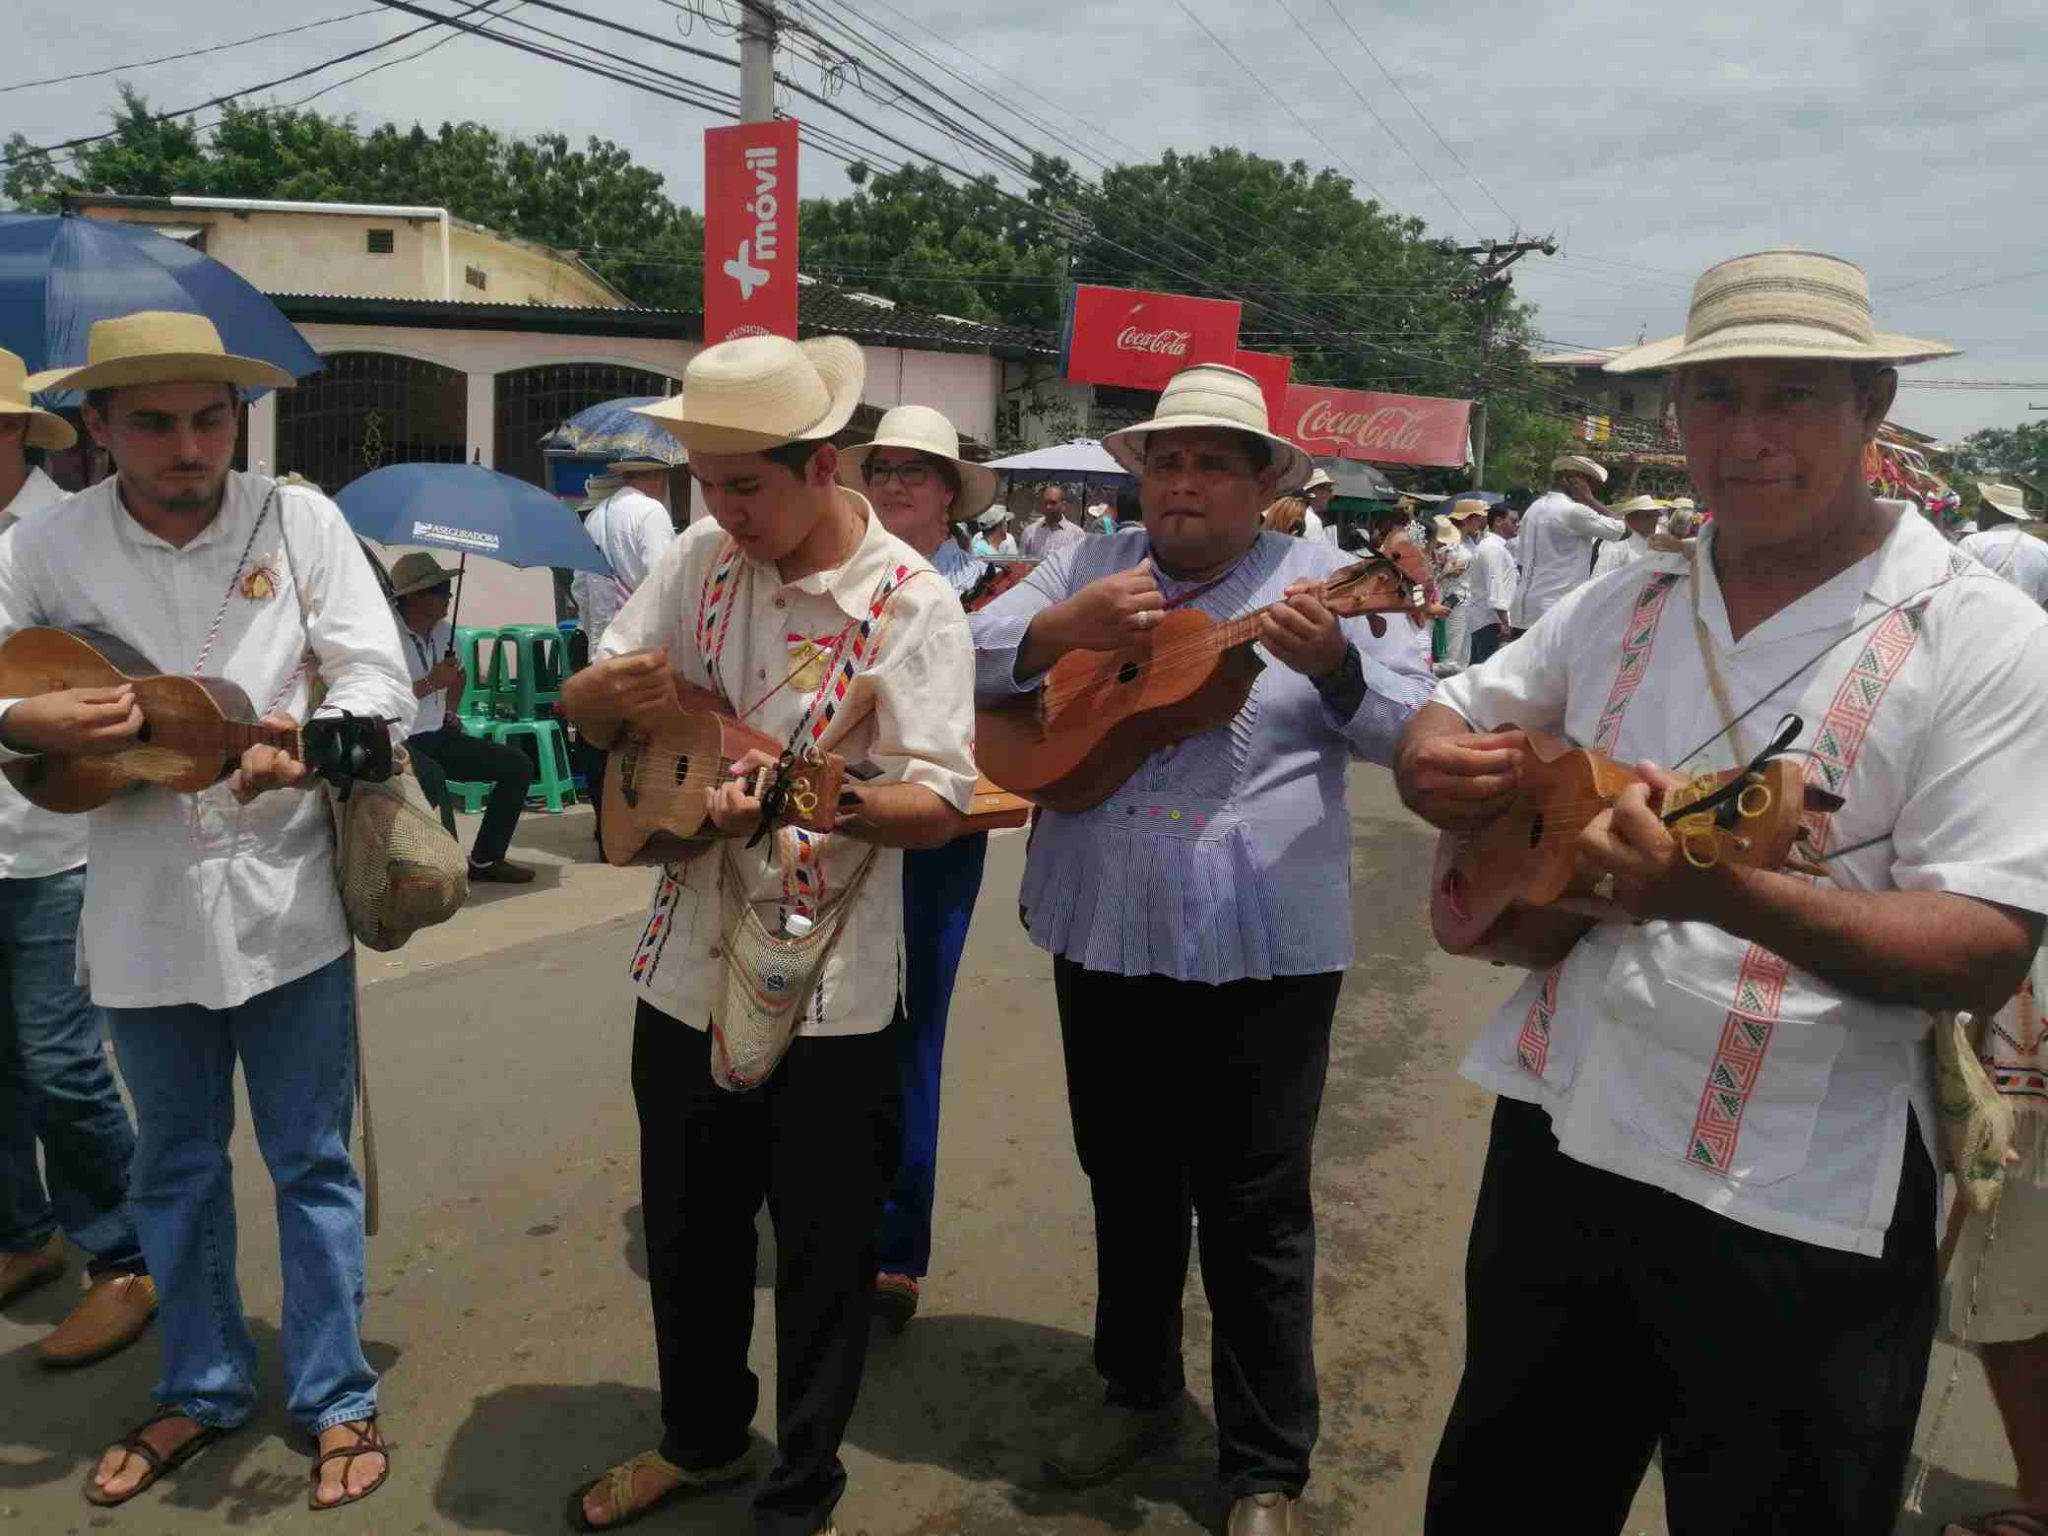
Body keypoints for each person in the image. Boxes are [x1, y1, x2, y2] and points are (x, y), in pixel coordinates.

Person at [1395, 249, 2048, 1535]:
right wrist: (1429, 757)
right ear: (1672, 418)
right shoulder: (1624, 596)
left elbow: (1979, 946)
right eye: (1713, 398)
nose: (1745, 438)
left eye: (1793, 396)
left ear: (1872, 411)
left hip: (1801, 1189)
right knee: (1505, 1498)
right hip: (1562, 1128)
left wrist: (1715, 895)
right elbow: (1455, 710)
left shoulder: (1981, 635)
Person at [970, 363, 1434, 1536]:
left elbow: (1410, 736)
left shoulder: (1323, 581)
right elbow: (954, 657)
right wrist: (1049, 636)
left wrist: (1331, 664)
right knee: (1125, 1178)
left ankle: (1264, 1464)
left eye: (1210, 463)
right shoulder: (1083, 563)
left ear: (1260, 483)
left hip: (1261, 935)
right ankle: (1133, 1392)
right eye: (1164, 462)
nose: (1180, 483)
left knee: (1254, 1204)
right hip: (1103, 915)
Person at [560, 335, 979, 1536]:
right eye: (705, 481)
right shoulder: (697, 557)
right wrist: (600, 705)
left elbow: (939, 804)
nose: (722, 511)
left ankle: (800, 1491)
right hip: (683, 965)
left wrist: (800, 796)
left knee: (821, 1259)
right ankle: (698, 1441)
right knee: (689, 1238)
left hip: (834, 991)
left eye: (747, 484)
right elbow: (600, 698)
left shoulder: (911, 602)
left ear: (823, 465)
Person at [0, 312, 415, 1511]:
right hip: (135, 909)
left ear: (237, 418)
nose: (188, 446)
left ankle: (337, 1393)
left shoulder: (300, 521)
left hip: (286, 895)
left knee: (311, 1161)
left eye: (209, 418)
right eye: (155, 422)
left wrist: (319, 742)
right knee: (172, 1168)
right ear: (99, 429)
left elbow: (377, 673)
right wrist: (25, 723)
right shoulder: (50, 548)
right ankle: (202, 1382)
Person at [0, 350, 154, 1371]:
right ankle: (21, 1233)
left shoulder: (66, 544)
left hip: (54, 846)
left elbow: (125, 697)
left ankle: (128, 1258)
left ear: (21, 434)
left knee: (60, 1064)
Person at [836, 405, 1000, 1331]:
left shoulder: (991, 589)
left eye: (916, 470)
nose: (895, 482)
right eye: (884, 466)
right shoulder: (837, 578)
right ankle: (827, 1219)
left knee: (909, 1034)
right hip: (832, 824)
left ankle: (897, 1250)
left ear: (949, 494)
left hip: (937, 831)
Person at [387, 551, 537, 885]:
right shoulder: (385, 636)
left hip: (436, 734)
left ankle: (486, 859)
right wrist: (429, 683)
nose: (448, 595)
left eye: (447, 587)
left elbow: (461, 676)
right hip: (399, 739)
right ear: (413, 597)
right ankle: (414, 868)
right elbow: (381, 701)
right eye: (440, 589)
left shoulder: (443, 631)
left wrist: (449, 710)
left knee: (518, 765)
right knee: (430, 778)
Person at [1509, 453, 1628, 631]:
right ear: (1578, 482)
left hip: (1523, 606)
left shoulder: (1533, 508)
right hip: (1555, 607)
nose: (1593, 491)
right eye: (1591, 485)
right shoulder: (1574, 512)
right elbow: (1624, 530)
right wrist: (1590, 500)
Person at [571, 454, 678, 648]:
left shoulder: (594, 516)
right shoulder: (652, 512)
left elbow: (580, 589)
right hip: (639, 648)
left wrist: (594, 637)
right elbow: (663, 582)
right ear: (659, 477)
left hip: (601, 648)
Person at [1960, 482, 2048, 607]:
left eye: (1981, 508)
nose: (1977, 514)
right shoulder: (2042, 549)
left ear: (1990, 510)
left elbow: (1955, 587)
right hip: (2025, 622)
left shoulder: (1972, 543)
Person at [1435, 499, 1491, 671]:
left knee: (1462, 650)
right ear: (1468, 518)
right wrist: (1448, 571)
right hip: (1453, 600)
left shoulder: (1471, 541)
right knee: (1452, 649)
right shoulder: (1449, 542)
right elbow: (1436, 573)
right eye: (1478, 518)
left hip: (1468, 600)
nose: (1481, 522)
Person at [1591, 494, 1662, 577]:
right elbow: (1601, 578)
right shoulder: (1618, 543)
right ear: (1631, 518)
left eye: (1656, 515)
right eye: (1649, 516)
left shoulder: (1653, 541)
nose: (1655, 520)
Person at [1020, 483, 1086, 560]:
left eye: (1053, 503)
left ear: (1063, 505)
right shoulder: (1030, 532)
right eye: (1045, 502)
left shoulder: (1076, 534)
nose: (1048, 507)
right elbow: (1021, 563)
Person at [1302, 467, 1340, 545]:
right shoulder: (1312, 520)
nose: (1331, 496)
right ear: (1314, 491)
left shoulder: (1302, 514)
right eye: (1329, 490)